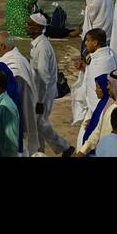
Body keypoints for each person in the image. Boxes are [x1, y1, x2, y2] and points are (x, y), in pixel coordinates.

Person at [26, 11, 73, 156]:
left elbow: (44, 77)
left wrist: (40, 101)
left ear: (38, 28)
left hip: (43, 93)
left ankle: (65, 147)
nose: (27, 26)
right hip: (39, 91)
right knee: (37, 124)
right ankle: (39, 152)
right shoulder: (38, 44)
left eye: (30, 24)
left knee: (40, 123)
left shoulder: (42, 48)